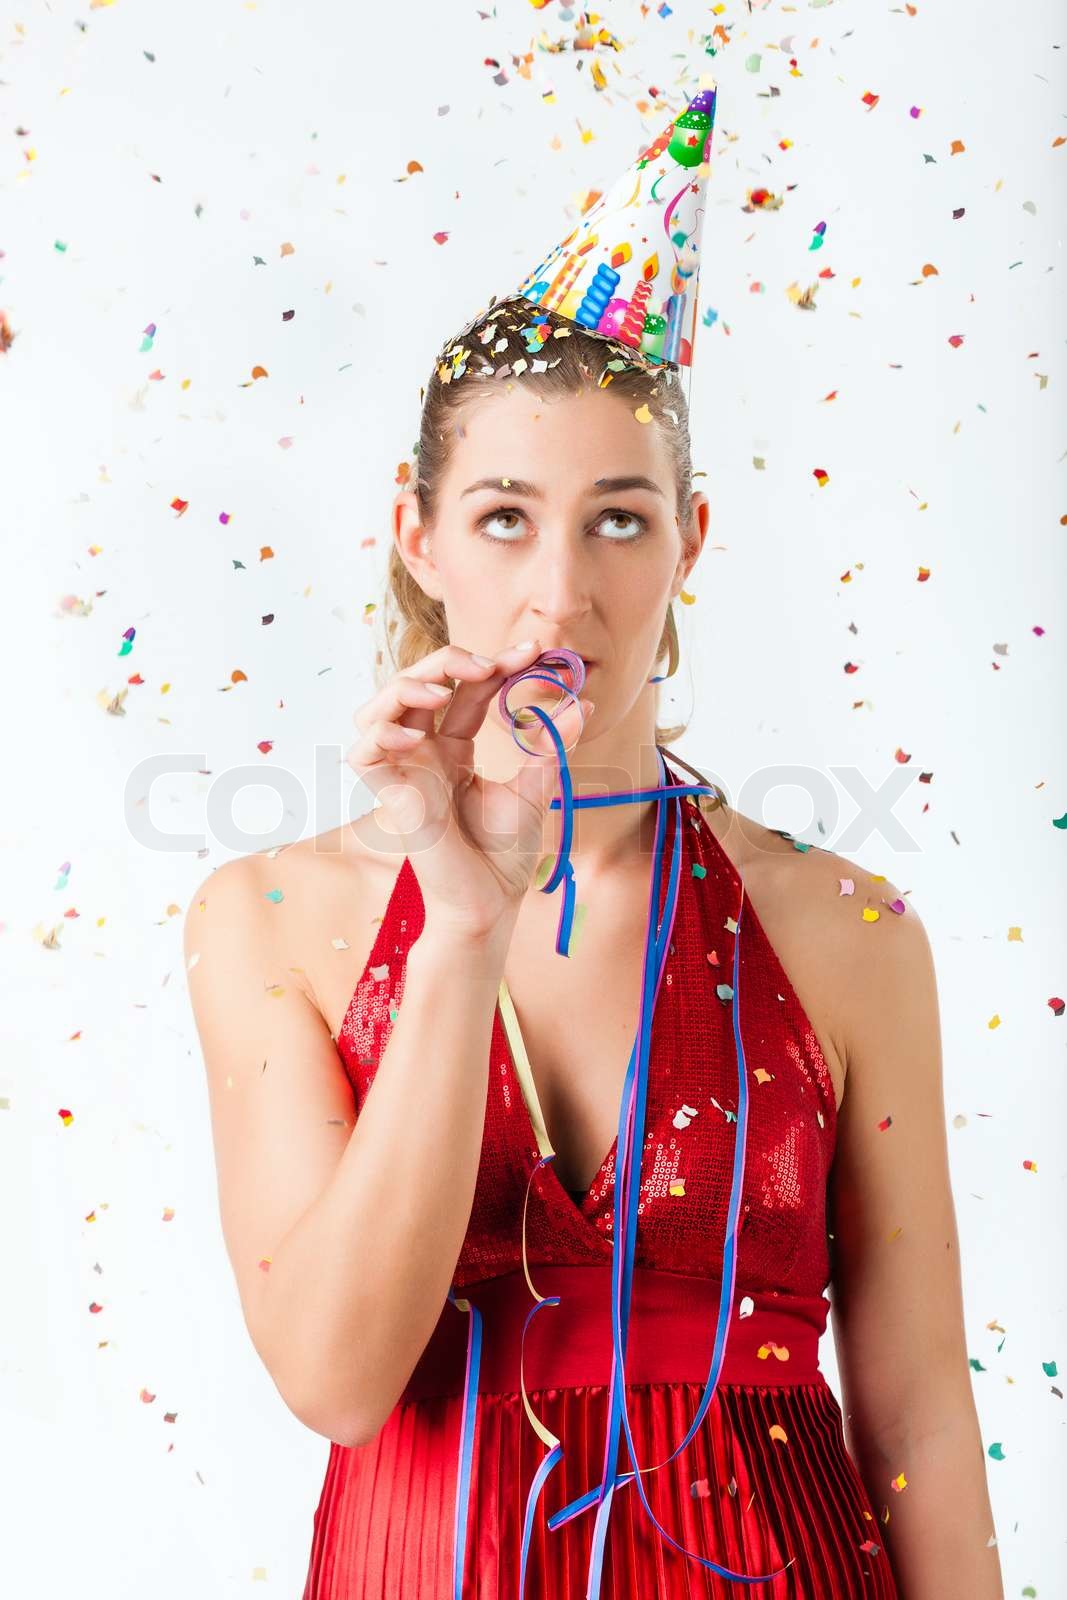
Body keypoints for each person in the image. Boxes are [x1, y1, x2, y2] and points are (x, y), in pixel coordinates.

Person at [185, 85, 1002, 1600]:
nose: (559, 592)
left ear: (691, 540)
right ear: (415, 537)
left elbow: (921, 1418)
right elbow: (340, 1381)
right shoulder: (273, 915)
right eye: (505, 516)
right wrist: (463, 921)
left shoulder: (847, 930)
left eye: (618, 519)